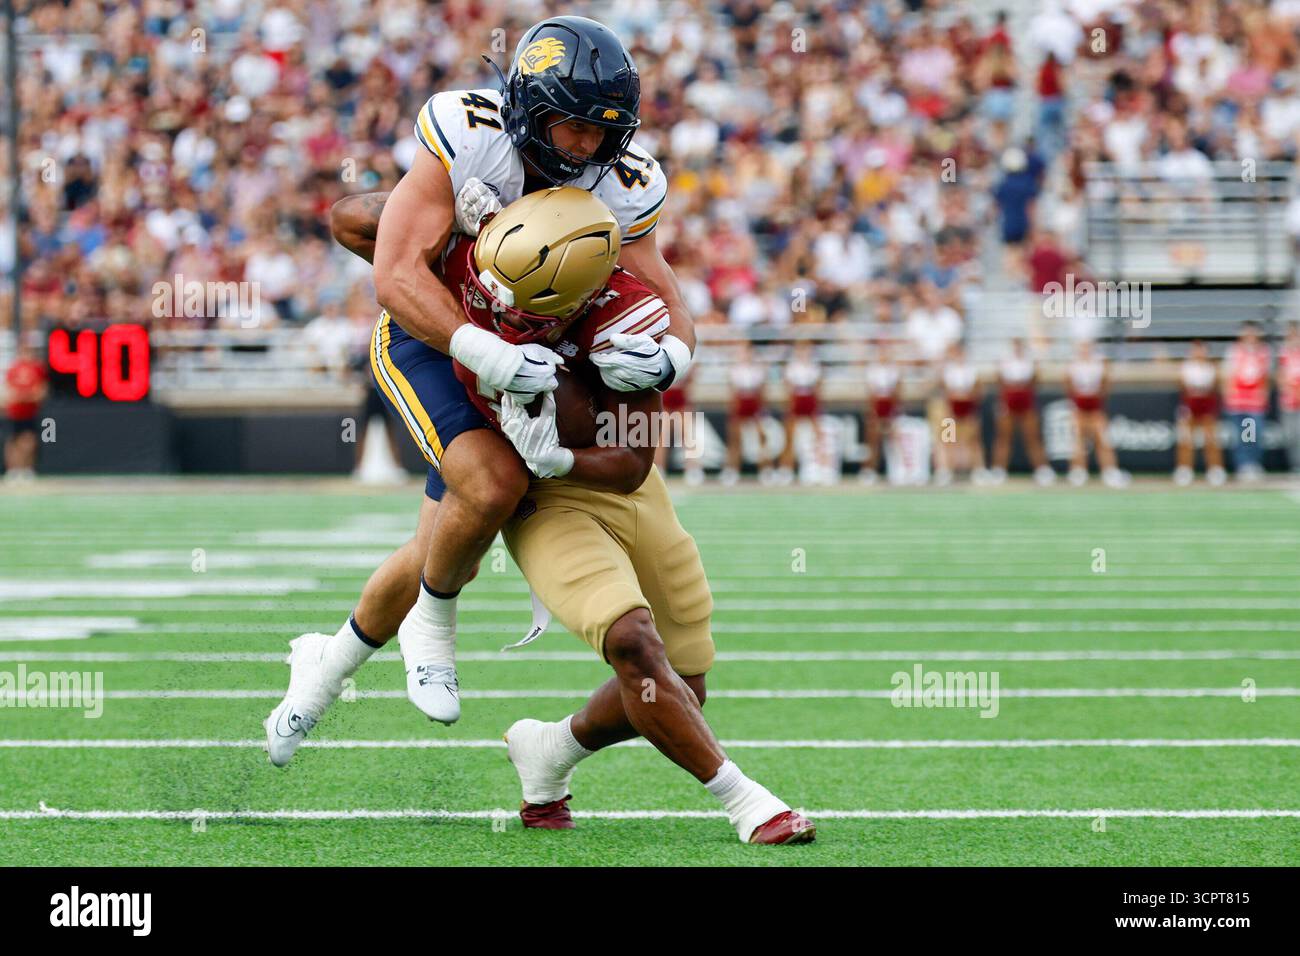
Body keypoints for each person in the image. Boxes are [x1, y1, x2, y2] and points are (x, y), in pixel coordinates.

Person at [273, 187, 815, 845]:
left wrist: (560, 456)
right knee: (616, 631)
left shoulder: (621, 321)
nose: (500, 308)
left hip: (590, 473)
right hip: (525, 480)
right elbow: (352, 219)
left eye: (526, 303)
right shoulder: (476, 253)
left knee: (683, 682)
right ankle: (745, 801)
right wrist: (443, 205)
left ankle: (550, 748)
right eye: (494, 286)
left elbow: (634, 462)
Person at [280, 16, 700, 738]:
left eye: (604, 131)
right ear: (529, 108)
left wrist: (673, 357)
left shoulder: (624, 185)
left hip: (528, 354)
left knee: (445, 542)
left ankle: (326, 665)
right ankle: (432, 628)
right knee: (492, 483)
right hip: (434, 338)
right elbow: (393, 272)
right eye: (571, 126)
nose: (587, 146)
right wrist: (481, 341)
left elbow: (666, 299)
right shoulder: (469, 136)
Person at [989, 337, 1053, 485]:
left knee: (1032, 437)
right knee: (1004, 437)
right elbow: (1000, 381)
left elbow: (1035, 381)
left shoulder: (1030, 361)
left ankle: (1042, 469)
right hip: (1009, 402)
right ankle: (999, 469)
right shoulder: (1005, 361)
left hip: (1026, 402)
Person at [1067, 340, 1128, 487]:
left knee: (1103, 439)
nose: (1085, 350)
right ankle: (1078, 472)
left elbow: (1105, 384)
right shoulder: (1073, 365)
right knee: (1078, 441)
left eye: (1087, 347)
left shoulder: (1099, 364)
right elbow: (1068, 384)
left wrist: (1098, 400)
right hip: (1080, 408)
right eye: (1083, 347)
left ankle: (1109, 471)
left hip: (1095, 409)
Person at [1222, 321, 1272, 482]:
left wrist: (1264, 395)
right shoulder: (1234, 351)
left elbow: (1266, 377)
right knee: (1241, 435)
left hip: (1255, 403)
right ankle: (1243, 464)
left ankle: (1253, 463)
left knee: (1253, 434)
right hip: (1238, 402)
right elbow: (1228, 376)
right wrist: (1228, 395)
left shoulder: (1264, 352)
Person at [1173, 339, 1225, 486]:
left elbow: (1213, 387)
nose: (1198, 352)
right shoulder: (1186, 367)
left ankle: (1215, 470)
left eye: (1201, 349)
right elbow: (1184, 386)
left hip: (1207, 406)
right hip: (1190, 406)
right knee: (1186, 440)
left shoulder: (1211, 367)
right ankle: (1184, 470)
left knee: (1211, 439)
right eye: (1195, 349)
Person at [722, 339, 773, 485]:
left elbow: (763, 391)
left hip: (754, 405)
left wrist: (763, 410)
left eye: (747, 351)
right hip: (740, 404)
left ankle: (766, 470)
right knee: (735, 439)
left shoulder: (758, 370)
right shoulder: (734, 370)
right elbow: (732, 391)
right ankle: (732, 470)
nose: (745, 354)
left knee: (762, 438)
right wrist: (733, 409)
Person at [935, 341, 985, 484]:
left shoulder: (971, 370)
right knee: (948, 440)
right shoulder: (947, 370)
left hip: (968, 409)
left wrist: (967, 398)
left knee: (973, 439)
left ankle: (978, 469)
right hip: (951, 410)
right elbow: (944, 391)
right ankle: (946, 470)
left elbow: (978, 390)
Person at [778, 339, 824, 484]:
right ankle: (786, 469)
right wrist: (791, 405)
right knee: (790, 437)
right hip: (797, 400)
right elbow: (788, 386)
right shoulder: (791, 367)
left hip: (809, 400)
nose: (804, 352)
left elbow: (817, 387)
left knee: (817, 436)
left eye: (806, 349)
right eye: (801, 349)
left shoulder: (815, 367)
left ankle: (818, 468)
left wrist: (816, 406)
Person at [3, 344, 48, 482]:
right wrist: (20, 397)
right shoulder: (13, 369)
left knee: (29, 440)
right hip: (15, 412)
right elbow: (8, 391)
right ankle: (13, 469)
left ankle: (27, 468)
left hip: (30, 412)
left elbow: (41, 391)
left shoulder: (37, 368)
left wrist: (27, 396)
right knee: (13, 441)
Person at [862, 341, 901, 484]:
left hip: (890, 405)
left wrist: (894, 410)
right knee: (873, 439)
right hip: (877, 405)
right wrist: (873, 410)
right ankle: (869, 470)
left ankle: (897, 470)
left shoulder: (894, 369)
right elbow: (871, 392)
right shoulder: (872, 369)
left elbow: (897, 390)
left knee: (893, 438)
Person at [1280, 323, 1300, 475]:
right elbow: (1280, 376)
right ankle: (1295, 464)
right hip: (1288, 400)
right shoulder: (1284, 353)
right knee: (1291, 434)